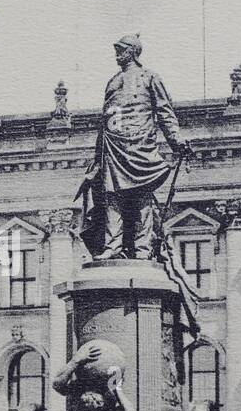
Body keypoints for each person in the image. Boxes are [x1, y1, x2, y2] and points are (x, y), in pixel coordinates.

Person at [78, 34, 193, 261]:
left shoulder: (150, 77)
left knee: (142, 196)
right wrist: (98, 156)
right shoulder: (112, 81)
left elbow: (165, 112)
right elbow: (106, 120)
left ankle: (142, 249)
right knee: (112, 198)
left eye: (121, 49)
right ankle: (112, 246)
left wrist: (176, 140)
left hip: (140, 146)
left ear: (132, 51)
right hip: (113, 147)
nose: (117, 54)